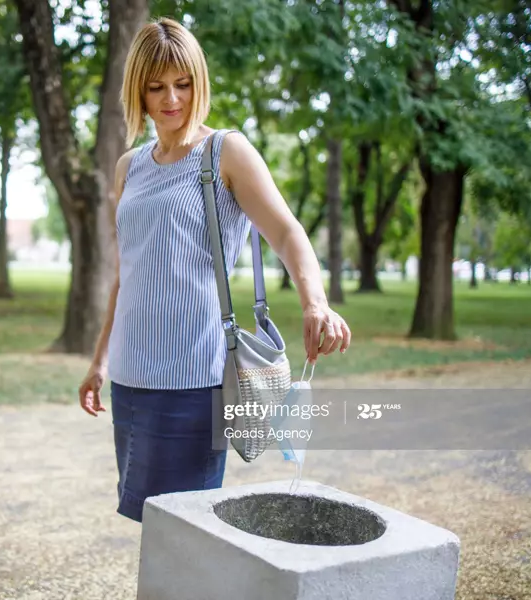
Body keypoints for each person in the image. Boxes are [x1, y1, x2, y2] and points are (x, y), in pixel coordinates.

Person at [77, 17, 352, 523]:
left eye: (182, 84)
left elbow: (288, 232)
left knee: (189, 532)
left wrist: (316, 301)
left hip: (193, 382)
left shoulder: (225, 152)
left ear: (198, 82)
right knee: (154, 527)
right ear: (137, 89)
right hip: (131, 380)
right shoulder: (128, 168)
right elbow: (127, 273)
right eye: (156, 86)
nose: (171, 99)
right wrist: (100, 362)